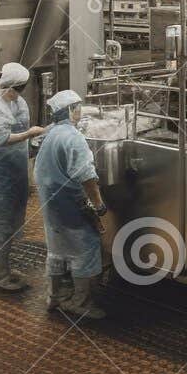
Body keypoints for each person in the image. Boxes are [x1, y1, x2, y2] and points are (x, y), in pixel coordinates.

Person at [33, 90, 107, 320]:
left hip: (50, 201)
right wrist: (98, 204)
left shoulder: (51, 132)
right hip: (69, 201)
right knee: (85, 247)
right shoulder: (74, 138)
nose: (80, 111)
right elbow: (86, 175)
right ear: (71, 110)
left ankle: (54, 297)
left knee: (57, 248)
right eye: (78, 107)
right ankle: (80, 303)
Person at [0, 62, 45, 291]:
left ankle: (4, 265)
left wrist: (32, 141)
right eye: (17, 88)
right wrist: (29, 134)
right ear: (8, 86)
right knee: (1, 222)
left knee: (14, 216)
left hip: (16, 166)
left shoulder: (17, 101)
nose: (19, 93)